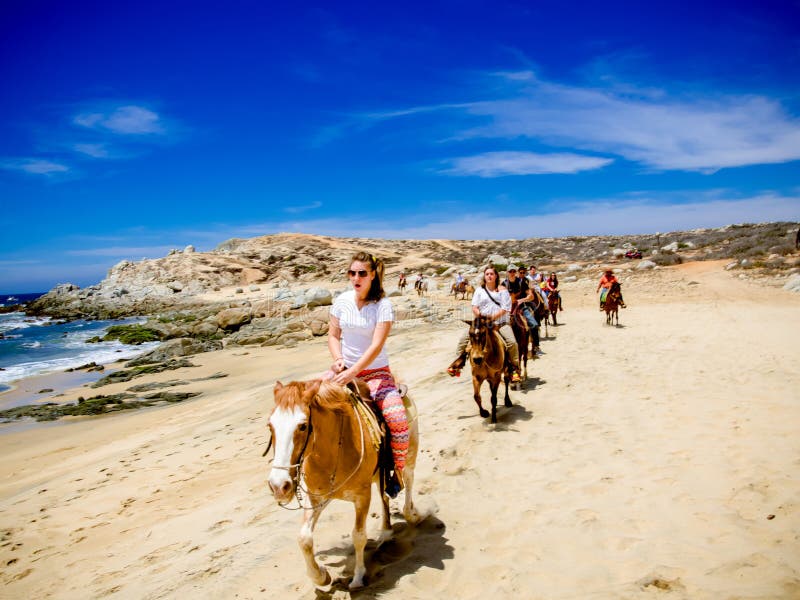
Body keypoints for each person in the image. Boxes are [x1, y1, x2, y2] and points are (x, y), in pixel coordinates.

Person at [327, 251, 409, 497]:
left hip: (376, 374)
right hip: (343, 370)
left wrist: (353, 371)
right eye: (352, 273)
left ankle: (398, 472)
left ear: (373, 275)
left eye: (362, 273)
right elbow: (333, 335)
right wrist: (339, 360)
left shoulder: (383, 306)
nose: (356, 278)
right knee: (305, 403)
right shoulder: (342, 301)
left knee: (397, 420)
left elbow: (376, 346)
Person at [446, 265, 521, 383]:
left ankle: (515, 369)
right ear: (484, 276)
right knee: (463, 340)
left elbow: (506, 308)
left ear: (496, 276)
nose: (489, 276)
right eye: (487, 274)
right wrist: (479, 315)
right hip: (481, 323)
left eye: (492, 274)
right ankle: (457, 364)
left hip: (500, 323)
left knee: (512, 343)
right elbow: (474, 306)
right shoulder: (479, 290)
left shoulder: (503, 290)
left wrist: (492, 318)